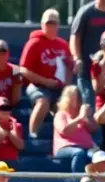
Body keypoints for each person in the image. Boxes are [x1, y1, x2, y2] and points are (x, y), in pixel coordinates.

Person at [20, 9, 72, 139]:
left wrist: (66, 84)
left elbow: (69, 67)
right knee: (43, 102)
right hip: (37, 85)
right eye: (48, 23)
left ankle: (67, 138)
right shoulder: (34, 43)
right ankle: (33, 135)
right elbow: (23, 70)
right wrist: (45, 81)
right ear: (43, 24)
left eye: (54, 23)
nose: (51, 26)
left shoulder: (63, 45)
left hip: (59, 87)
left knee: (71, 101)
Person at [53, 85, 98, 173]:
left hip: (86, 148)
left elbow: (94, 129)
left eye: (77, 98)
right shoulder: (61, 115)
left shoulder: (82, 116)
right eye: (73, 98)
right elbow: (65, 131)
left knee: (98, 156)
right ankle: (77, 180)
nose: (76, 102)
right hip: (65, 149)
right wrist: (79, 118)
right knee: (79, 153)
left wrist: (86, 118)